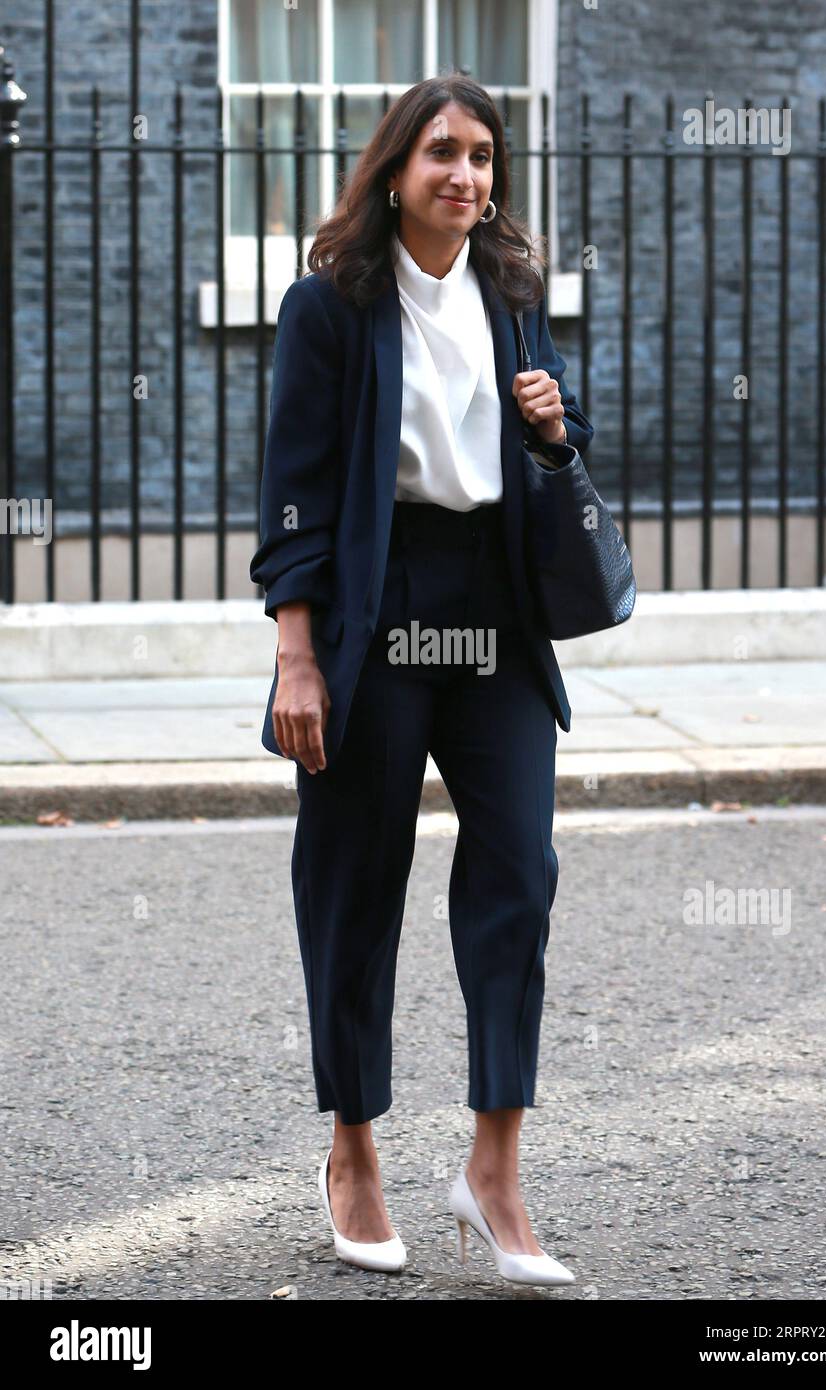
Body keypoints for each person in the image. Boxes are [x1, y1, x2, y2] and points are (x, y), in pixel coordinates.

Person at [250, 74, 593, 1287]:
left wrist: (554, 432)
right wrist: (297, 654)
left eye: (484, 156)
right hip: (370, 611)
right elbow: (291, 495)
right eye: (441, 152)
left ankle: (491, 1170)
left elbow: (543, 454)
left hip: (491, 614)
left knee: (519, 875)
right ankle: (353, 1153)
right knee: (354, 883)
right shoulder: (328, 304)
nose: (465, 175)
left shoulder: (508, 293)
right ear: (395, 166)